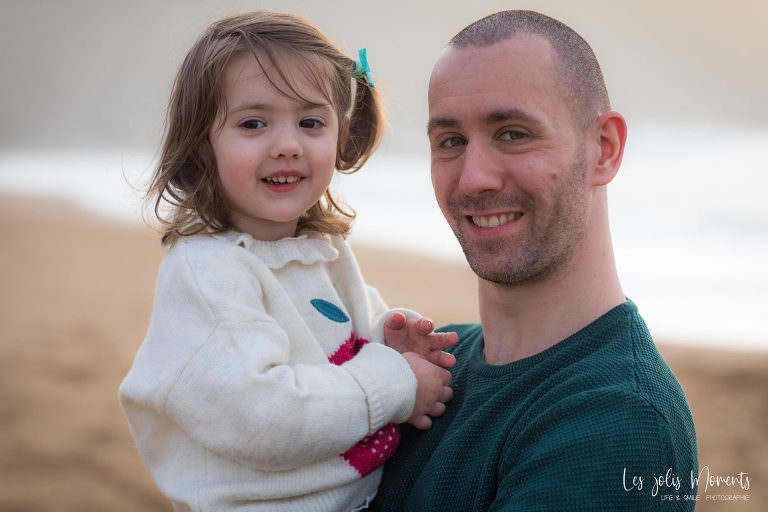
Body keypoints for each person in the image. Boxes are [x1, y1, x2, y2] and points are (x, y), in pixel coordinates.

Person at [118, 11, 456, 512]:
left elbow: (338, 342)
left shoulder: (319, 249)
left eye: (310, 122)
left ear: (341, 136)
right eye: (253, 123)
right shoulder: (210, 273)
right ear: (200, 145)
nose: (287, 145)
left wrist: (388, 335)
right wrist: (397, 382)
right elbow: (263, 417)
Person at [373, 10, 698, 511]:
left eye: (513, 133)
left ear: (604, 150)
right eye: (451, 141)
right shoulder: (430, 373)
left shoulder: (618, 419)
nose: (475, 177)